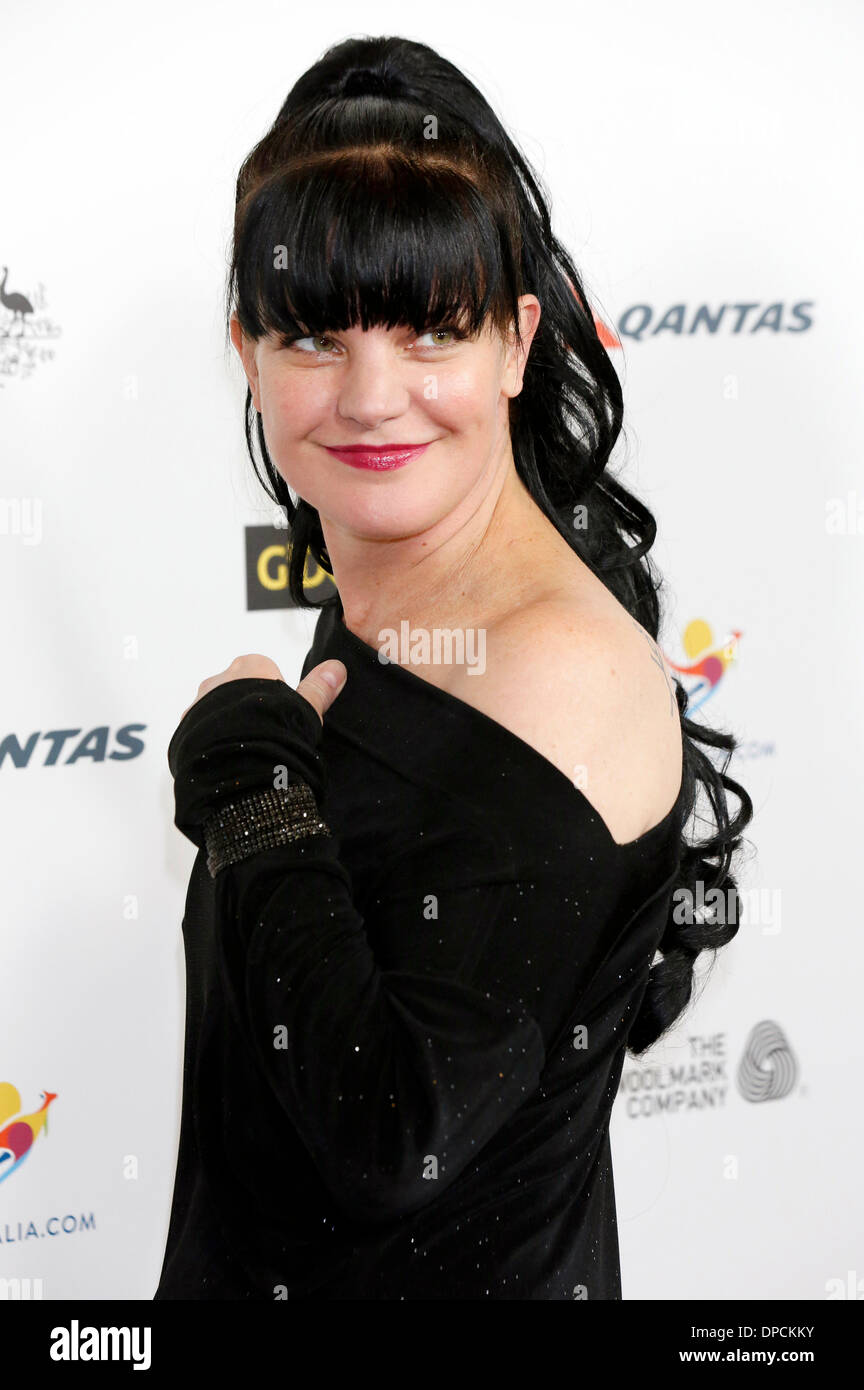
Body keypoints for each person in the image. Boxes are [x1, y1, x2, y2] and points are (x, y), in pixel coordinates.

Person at [154, 34, 752, 1300]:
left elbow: (394, 1136)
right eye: (315, 338)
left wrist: (252, 790)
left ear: (518, 344)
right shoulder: (387, 569)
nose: (372, 399)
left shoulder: (556, 674)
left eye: (431, 333)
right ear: (244, 353)